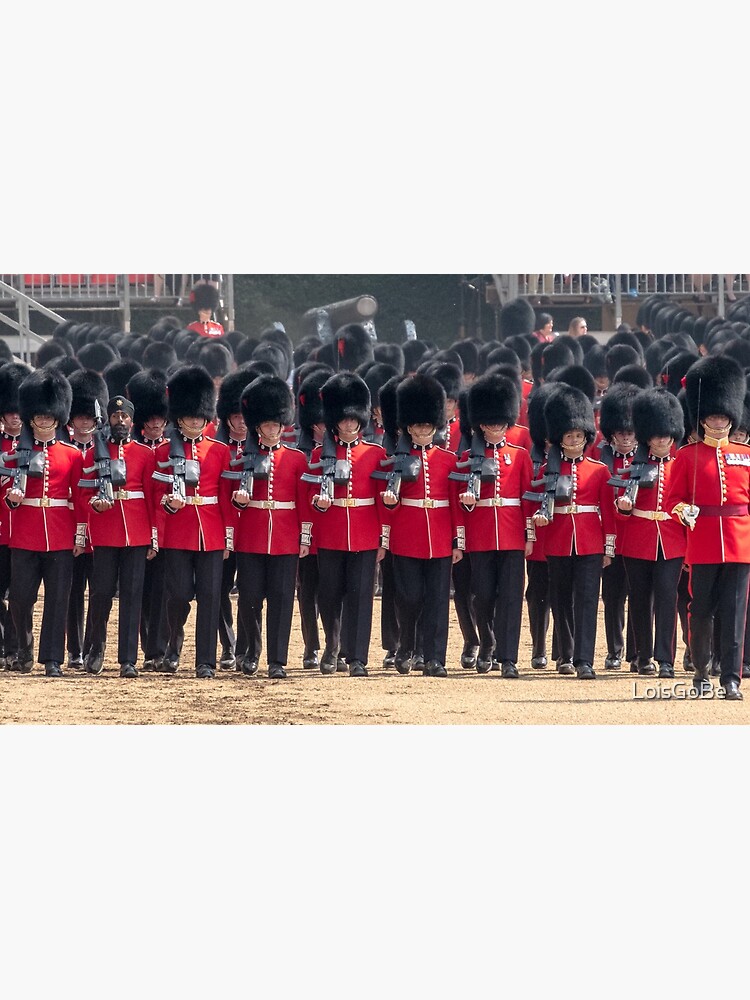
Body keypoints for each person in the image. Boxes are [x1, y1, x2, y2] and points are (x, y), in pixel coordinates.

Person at [665, 354, 750, 701]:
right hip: (703, 543)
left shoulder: (745, 455)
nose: (718, 421)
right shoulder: (688, 456)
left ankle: (731, 678)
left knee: (734, 614)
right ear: (702, 419)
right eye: (713, 416)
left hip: (740, 543)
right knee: (700, 611)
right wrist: (683, 511)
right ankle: (701, 668)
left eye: (723, 416)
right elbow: (672, 500)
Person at [151, 364, 235, 679]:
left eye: (200, 417)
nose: (196, 422)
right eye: (190, 417)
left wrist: (228, 537)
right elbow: (156, 494)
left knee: (211, 597)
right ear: (179, 418)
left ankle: (205, 661)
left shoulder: (219, 451)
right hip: (178, 532)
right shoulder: (163, 452)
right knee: (179, 595)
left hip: (211, 532)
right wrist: (168, 508)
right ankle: (173, 647)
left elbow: (225, 497)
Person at [530, 384, 616, 679]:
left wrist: (608, 547)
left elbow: (608, 513)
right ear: (560, 438)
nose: (575, 440)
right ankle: (565, 655)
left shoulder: (599, 470)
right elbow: (536, 505)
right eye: (569, 436)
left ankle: (584, 659)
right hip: (558, 541)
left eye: (579, 435)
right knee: (561, 599)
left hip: (590, 543)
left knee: (588, 601)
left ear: (586, 436)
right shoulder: (547, 471)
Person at [380, 373, 462, 677]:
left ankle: (434, 658)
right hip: (407, 537)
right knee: (409, 597)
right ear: (408, 428)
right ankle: (406, 647)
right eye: (418, 426)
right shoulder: (395, 460)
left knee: (438, 601)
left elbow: (454, 504)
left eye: (428, 426)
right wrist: (391, 503)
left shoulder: (448, 460)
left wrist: (458, 540)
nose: (423, 431)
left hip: (439, 538)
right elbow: (387, 505)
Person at [306, 372, 386, 677]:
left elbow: (382, 501)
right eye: (344, 419)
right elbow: (309, 494)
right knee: (329, 594)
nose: (349, 424)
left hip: (365, 534)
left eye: (354, 418)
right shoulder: (319, 454)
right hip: (331, 533)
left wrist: (383, 539)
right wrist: (319, 503)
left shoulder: (375, 454)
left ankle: (357, 657)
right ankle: (332, 646)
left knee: (361, 596)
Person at [5, 368, 83, 676]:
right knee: (20, 598)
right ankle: (24, 647)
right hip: (25, 534)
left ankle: (52, 658)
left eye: (49, 416)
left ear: (58, 417)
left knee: (58, 599)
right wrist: (11, 498)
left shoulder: (72, 454)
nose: (44, 420)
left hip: (61, 535)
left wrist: (80, 536)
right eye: (38, 416)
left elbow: (79, 499)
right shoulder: (15, 454)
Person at [231, 375, 309, 679]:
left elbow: (303, 503)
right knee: (250, 597)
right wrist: (239, 501)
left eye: (276, 424)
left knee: (281, 599)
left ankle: (277, 660)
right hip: (251, 537)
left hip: (285, 538)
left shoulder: (296, 459)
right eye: (267, 425)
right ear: (257, 427)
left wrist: (304, 537)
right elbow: (231, 501)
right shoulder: (242, 459)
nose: (273, 429)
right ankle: (250, 653)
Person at [457, 372, 533, 676]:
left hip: (512, 535)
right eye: (489, 423)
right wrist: (467, 503)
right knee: (484, 595)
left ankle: (508, 657)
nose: (494, 428)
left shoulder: (519, 456)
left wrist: (529, 536)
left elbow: (527, 499)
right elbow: (459, 502)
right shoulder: (466, 457)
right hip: (481, 534)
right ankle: (487, 644)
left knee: (512, 598)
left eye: (500, 423)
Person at [76, 396, 157, 677]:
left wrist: (153, 536)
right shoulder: (93, 453)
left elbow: (151, 497)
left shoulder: (145, 453)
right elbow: (84, 493)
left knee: (133, 596)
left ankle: (128, 659)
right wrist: (94, 505)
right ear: (108, 420)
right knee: (101, 593)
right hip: (105, 530)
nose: (119, 420)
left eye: (124, 417)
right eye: (115, 416)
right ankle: (96, 648)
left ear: (132, 422)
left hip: (136, 533)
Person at [614, 388, 686, 679]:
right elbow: (619, 508)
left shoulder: (681, 465)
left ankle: (666, 659)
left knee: (668, 597)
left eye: (666, 435)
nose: (662, 440)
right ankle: (643, 656)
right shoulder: (634, 465)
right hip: (639, 539)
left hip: (672, 540)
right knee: (640, 599)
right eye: (657, 436)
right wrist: (623, 508)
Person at [126, 370, 170, 671]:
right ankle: (148, 647)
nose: (155, 424)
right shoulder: (133, 449)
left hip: (170, 527)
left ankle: (159, 647)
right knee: (140, 592)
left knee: (164, 592)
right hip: (140, 527)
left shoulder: (171, 448)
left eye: (160, 419)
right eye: (150, 419)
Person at [65, 369, 109, 671]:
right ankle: (75, 648)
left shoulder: (102, 449)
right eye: (79, 416)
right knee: (73, 592)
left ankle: (94, 645)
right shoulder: (67, 449)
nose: (84, 422)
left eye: (88, 417)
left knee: (99, 593)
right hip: (69, 526)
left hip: (99, 527)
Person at [0, 361, 32, 670]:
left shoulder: (34, 445)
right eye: (10, 411)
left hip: (23, 530)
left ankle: (16, 647)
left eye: (18, 410)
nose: (14, 416)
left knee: (21, 596)